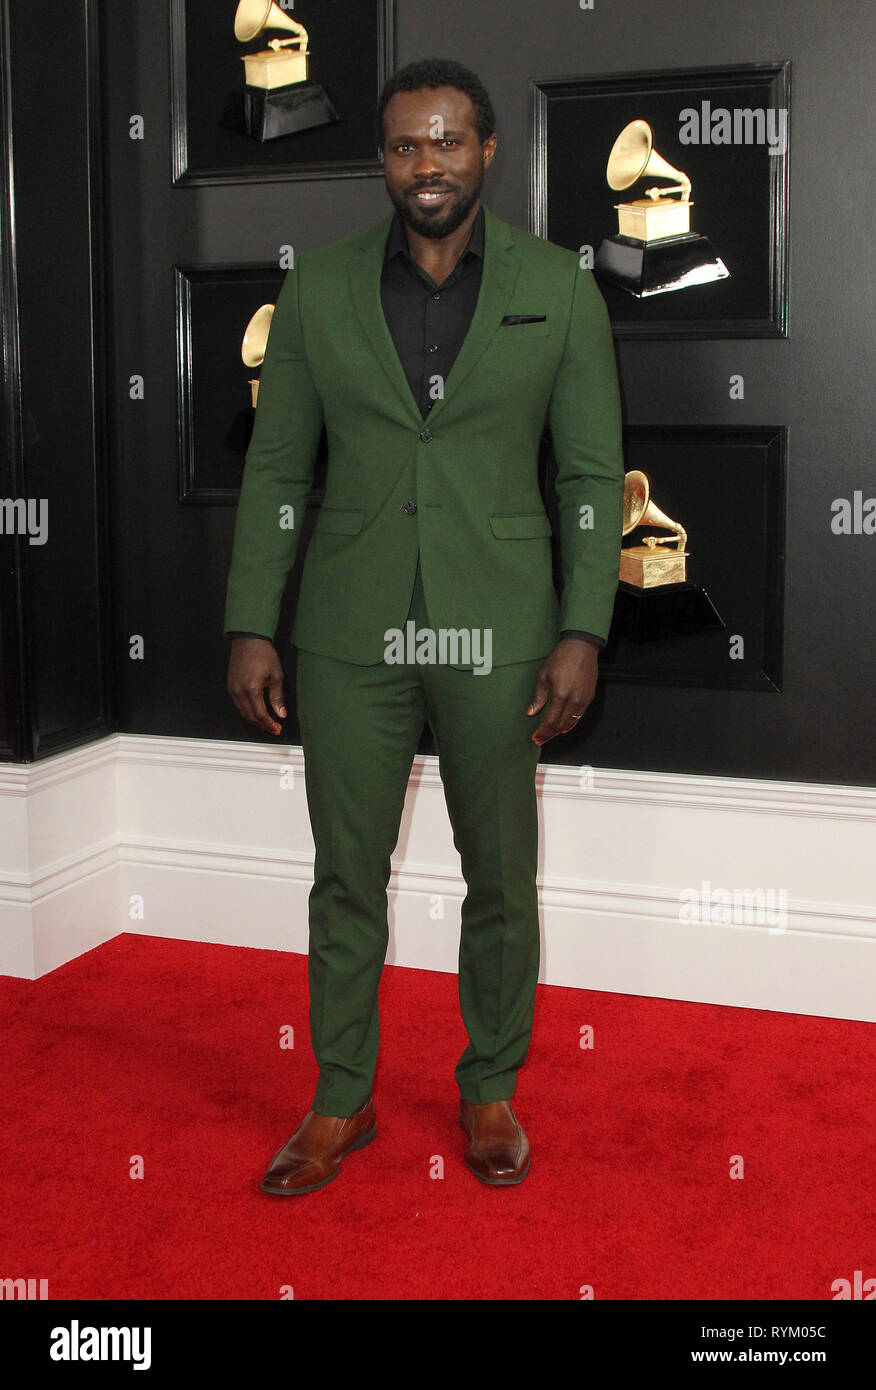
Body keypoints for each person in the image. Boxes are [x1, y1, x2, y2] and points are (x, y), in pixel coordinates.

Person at [224, 58, 624, 1194]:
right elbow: (277, 465)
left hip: (501, 631)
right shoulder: (321, 287)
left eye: (448, 141)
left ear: (487, 150)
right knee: (343, 874)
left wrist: (582, 628)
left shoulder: (561, 287)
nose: (427, 163)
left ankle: (489, 1085)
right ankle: (340, 1099)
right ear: (384, 161)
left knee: (500, 872)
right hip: (350, 629)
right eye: (405, 145)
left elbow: (593, 476)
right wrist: (255, 617)